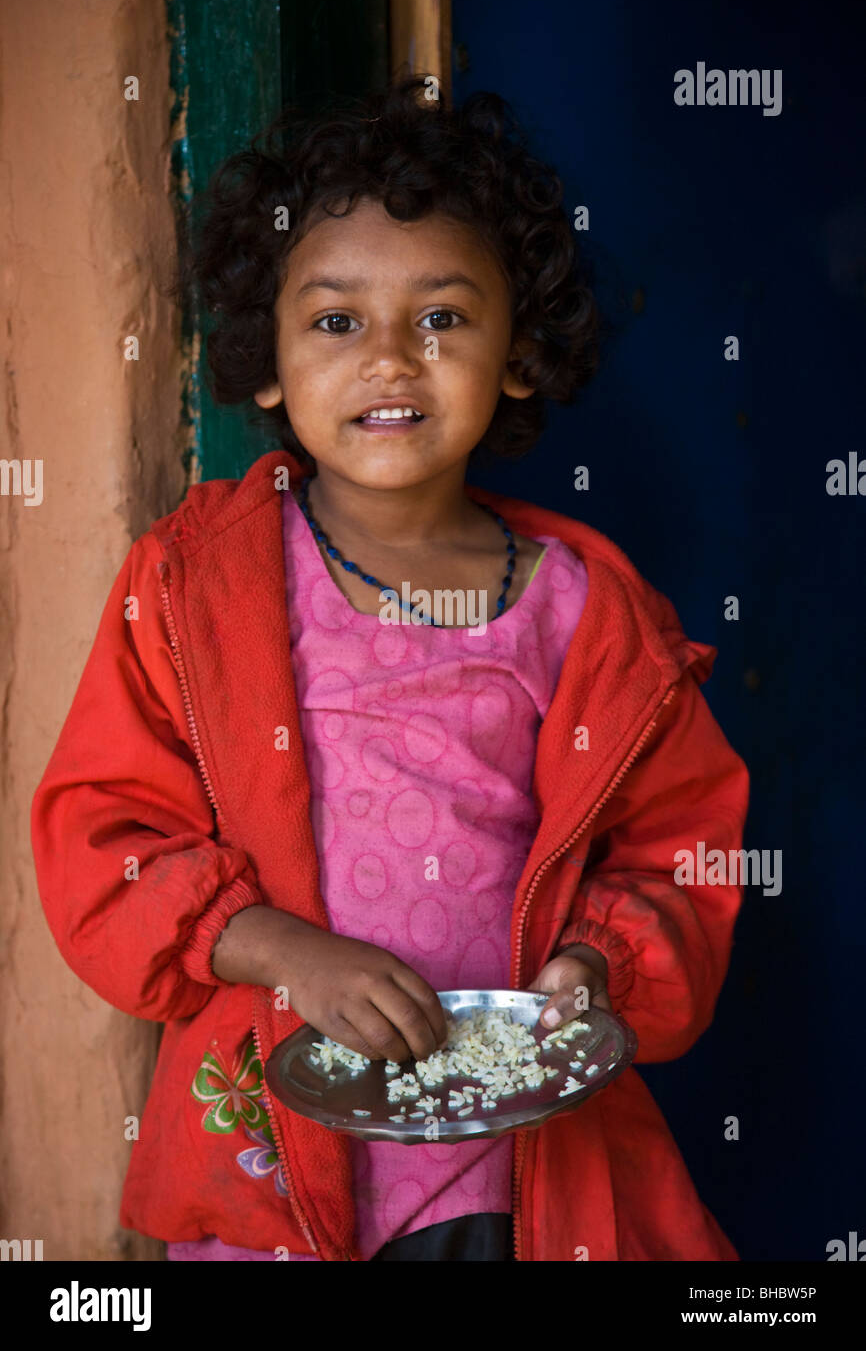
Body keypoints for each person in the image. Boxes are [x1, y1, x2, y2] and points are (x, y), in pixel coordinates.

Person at [31, 74, 749, 1262]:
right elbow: (104, 836)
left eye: (442, 318)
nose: (390, 360)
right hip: (272, 1165)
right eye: (333, 321)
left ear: (516, 353)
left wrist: (597, 962)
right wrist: (285, 954)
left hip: (515, 1167)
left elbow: (685, 845)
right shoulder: (192, 586)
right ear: (264, 359)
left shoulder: (587, 613)